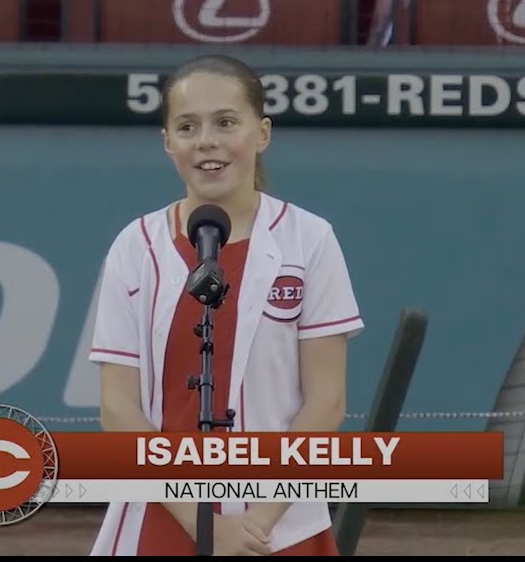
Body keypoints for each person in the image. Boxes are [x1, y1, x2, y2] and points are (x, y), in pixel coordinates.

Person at [86, 53, 366, 556]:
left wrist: (253, 525)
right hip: (160, 516)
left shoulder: (309, 240)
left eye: (226, 123)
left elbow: (326, 401)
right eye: (188, 126)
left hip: (279, 526)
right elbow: (118, 406)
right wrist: (204, 523)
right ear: (168, 142)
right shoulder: (137, 246)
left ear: (262, 134)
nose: (207, 141)